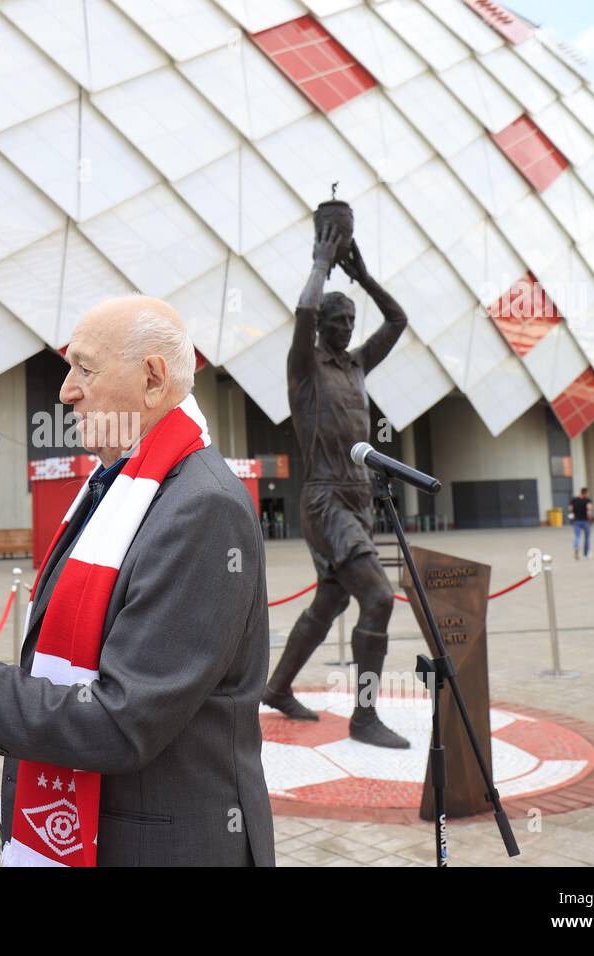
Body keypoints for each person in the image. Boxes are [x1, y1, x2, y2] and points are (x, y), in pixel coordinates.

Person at [0, 296, 273, 867]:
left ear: (151, 379)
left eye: (84, 369)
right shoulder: (115, 488)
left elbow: (122, 722)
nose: (66, 391)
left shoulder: (201, 508)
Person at [261, 221, 411, 750]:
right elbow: (302, 311)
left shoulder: (356, 366)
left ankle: (277, 687)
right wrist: (322, 263)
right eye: (338, 319)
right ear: (322, 324)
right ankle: (364, 717)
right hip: (325, 497)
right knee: (377, 597)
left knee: (330, 602)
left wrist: (364, 275)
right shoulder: (305, 368)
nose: (346, 326)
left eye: (351, 320)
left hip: (359, 495)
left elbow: (397, 319)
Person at [568, 487, 593, 560]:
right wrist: (590, 519)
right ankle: (586, 554)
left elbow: (570, 510)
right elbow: (589, 510)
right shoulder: (588, 500)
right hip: (585, 521)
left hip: (576, 521)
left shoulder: (574, 500)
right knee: (587, 538)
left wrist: (572, 518)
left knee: (577, 536)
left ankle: (576, 547)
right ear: (586, 493)